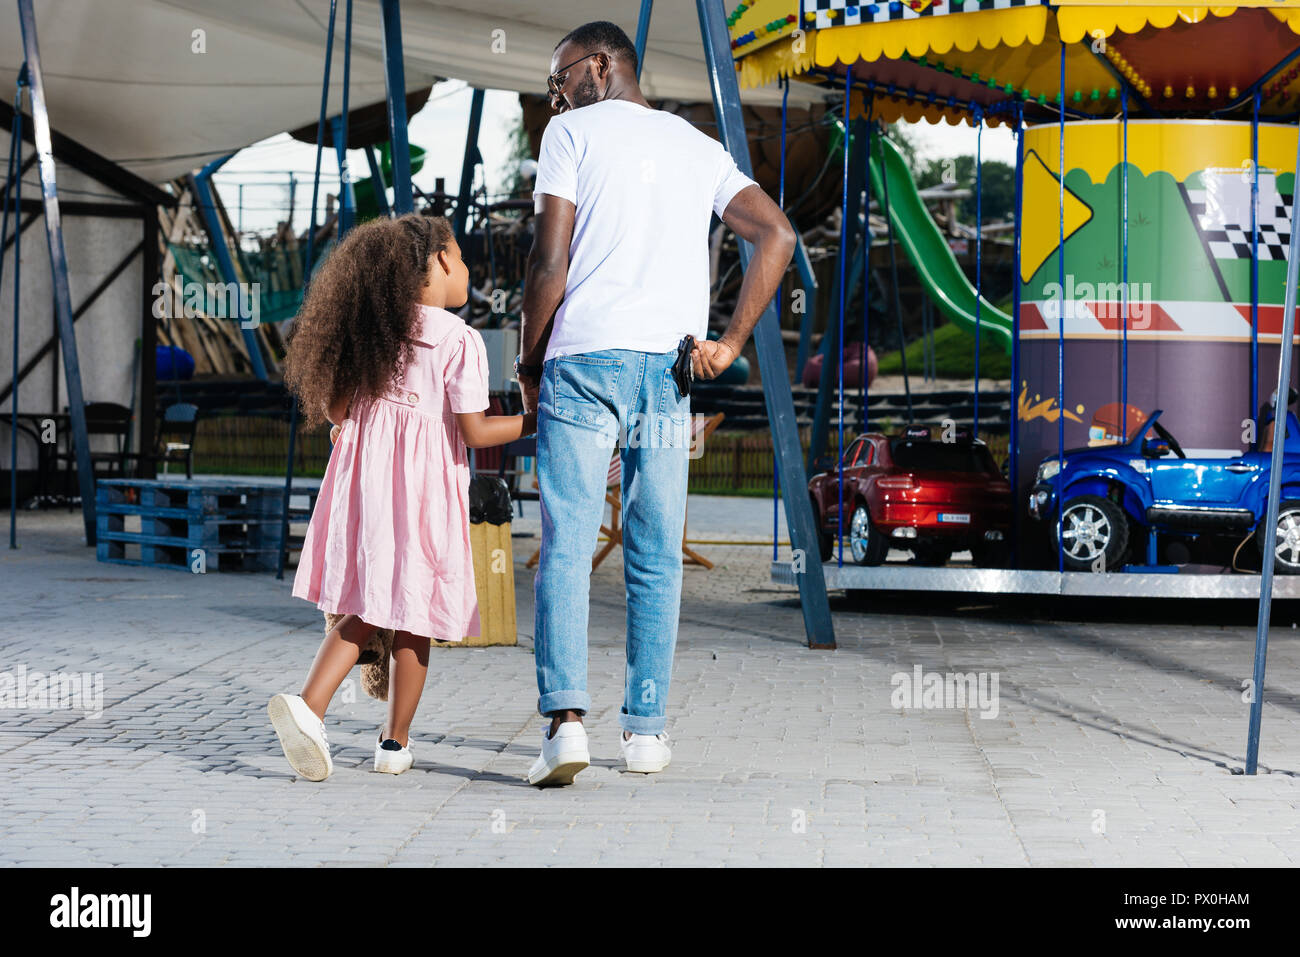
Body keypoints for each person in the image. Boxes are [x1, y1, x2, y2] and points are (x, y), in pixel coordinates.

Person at [515, 21, 796, 786]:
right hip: (668, 367)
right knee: (654, 552)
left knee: (567, 541)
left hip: (584, 358)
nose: (555, 95)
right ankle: (645, 732)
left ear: (600, 67)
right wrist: (731, 344)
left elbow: (549, 261)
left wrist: (528, 362)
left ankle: (566, 725)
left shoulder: (570, 136)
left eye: (561, 78)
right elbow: (776, 234)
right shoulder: (697, 146)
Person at [268, 214, 535, 782]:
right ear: (438, 262)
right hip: (423, 496)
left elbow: (340, 410)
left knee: (367, 601)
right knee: (416, 615)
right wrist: (533, 421)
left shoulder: (373, 332)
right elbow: (476, 432)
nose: (466, 269)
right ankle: (374, 734)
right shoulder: (459, 339)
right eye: (461, 258)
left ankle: (340, 721)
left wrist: (364, 427)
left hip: (363, 489)